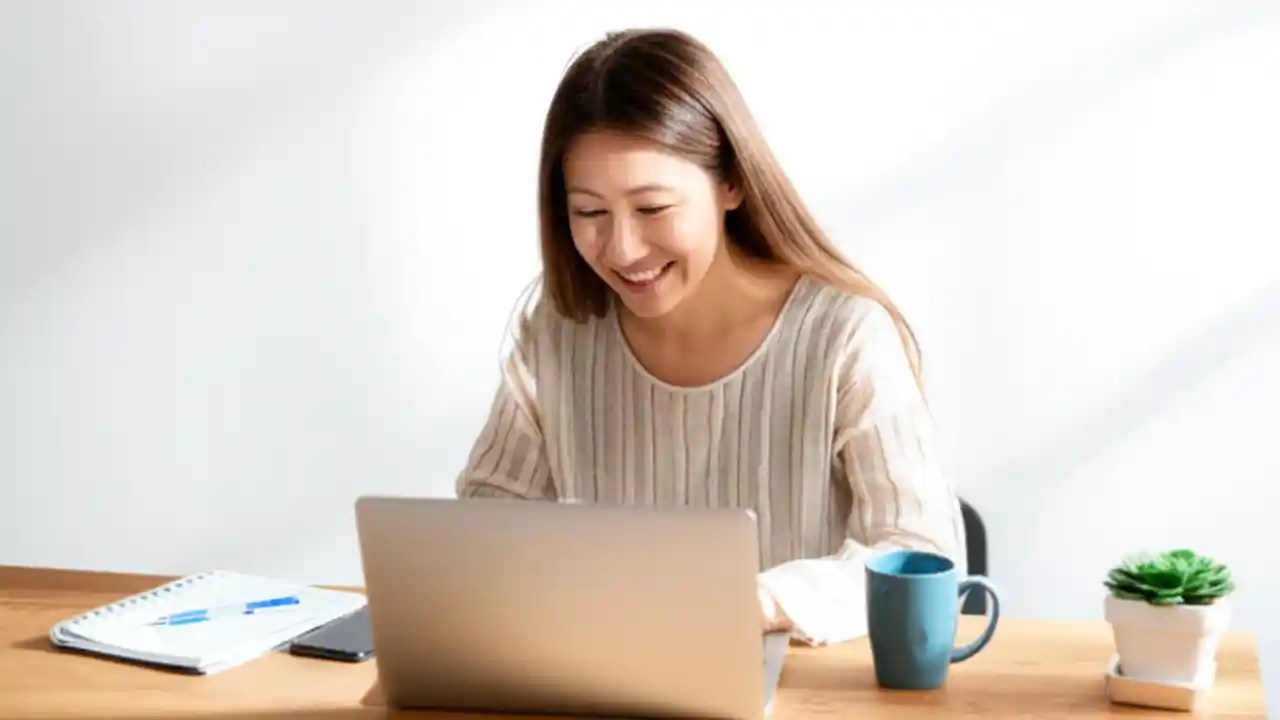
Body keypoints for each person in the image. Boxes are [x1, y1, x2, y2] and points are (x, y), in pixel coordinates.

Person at [454, 27, 966, 646]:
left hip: (794, 689)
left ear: (731, 183)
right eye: (589, 212)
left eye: (652, 209)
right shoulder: (560, 329)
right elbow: (489, 522)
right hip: (604, 677)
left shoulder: (843, 336)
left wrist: (758, 602)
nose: (622, 249)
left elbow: (918, 549)